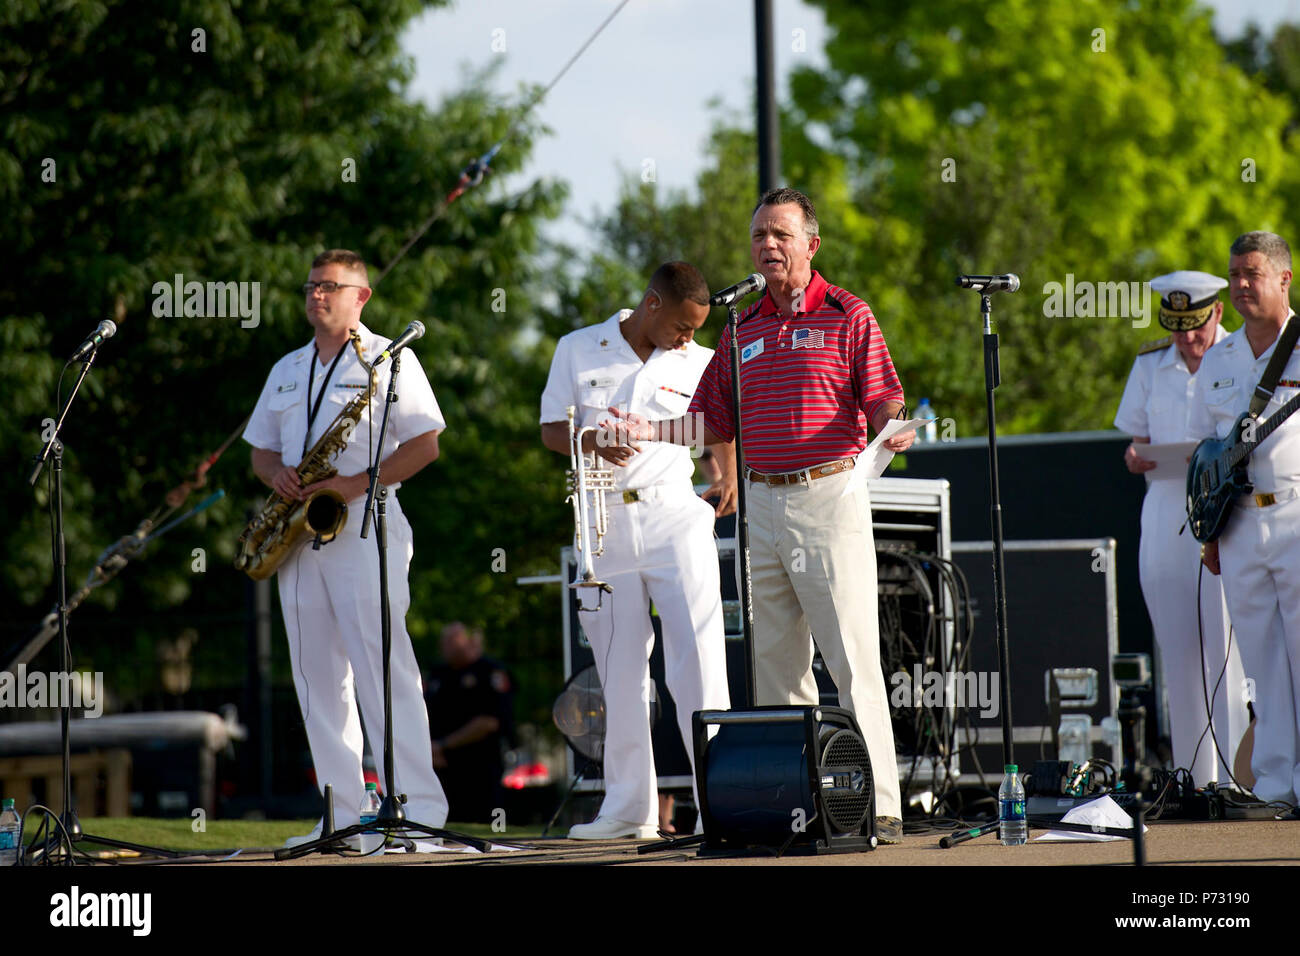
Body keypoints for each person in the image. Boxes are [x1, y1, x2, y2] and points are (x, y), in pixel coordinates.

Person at [610, 188, 910, 843]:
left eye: (779, 234)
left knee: (851, 658)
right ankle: (797, 804)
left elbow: (885, 396)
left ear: (811, 245)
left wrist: (894, 428)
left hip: (828, 494)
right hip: (761, 503)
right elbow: (713, 421)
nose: (767, 246)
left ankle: (881, 805)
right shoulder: (739, 326)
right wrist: (648, 428)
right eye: (757, 237)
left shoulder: (848, 314)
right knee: (775, 665)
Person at [244, 249, 449, 845]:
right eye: (311, 286)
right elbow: (259, 449)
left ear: (361, 297)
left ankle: (417, 812)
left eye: (330, 287)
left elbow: (427, 443)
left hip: (365, 526)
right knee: (315, 677)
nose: (316, 296)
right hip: (299, 537)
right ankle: (342, 815)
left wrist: (356, 484)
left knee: (384, 670)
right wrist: (276, 474)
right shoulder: (286, 367)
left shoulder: (391, 360)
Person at [540, 261, 735, 840]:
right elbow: (551, 428)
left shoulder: (700, 360)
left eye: (697, 328)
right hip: (603, 519)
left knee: (699, 665)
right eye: (681, 325)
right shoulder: (578, 348)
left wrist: (724, 473)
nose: (689, 338)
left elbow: (714, 429)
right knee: (618, 669)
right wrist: (591, 439)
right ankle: (629, 809)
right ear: (652, 304)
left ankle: (718, 805)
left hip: (676, 512)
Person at [1114, 271, 1247, 785]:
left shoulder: (1238, 357)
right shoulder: (1150, 364)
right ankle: (1193, 777)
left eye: (1195, 327)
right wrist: (1134, 456)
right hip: (1166, 505)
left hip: (1222, 509)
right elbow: (1137, 440)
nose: (1187, 340)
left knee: (1228, 652)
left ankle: (1238, 780)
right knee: (1178, 648)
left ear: (1216, 314)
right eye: (1177, 329)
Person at [1191, 232, 1300, 815]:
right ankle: (1277, 786)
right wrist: (1208, 529)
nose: (1238, 286)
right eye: (1233, 274)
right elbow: (1204, 448)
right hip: (1237, 524)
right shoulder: (1220, 357)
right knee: (1262, 661)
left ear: (1284, 278)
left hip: (1297, 514)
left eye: (1250, 275)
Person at [425, 622, 515, 823]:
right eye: (443, 642)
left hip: (482, 766)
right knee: (453, 825)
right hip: (444, 766)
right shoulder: (438, 674)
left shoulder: (490, 672)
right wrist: (430, 748)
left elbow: (489, 722)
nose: (444, 647)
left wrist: (443, 744)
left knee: (493, 825)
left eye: (451, 641)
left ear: (469, 642)